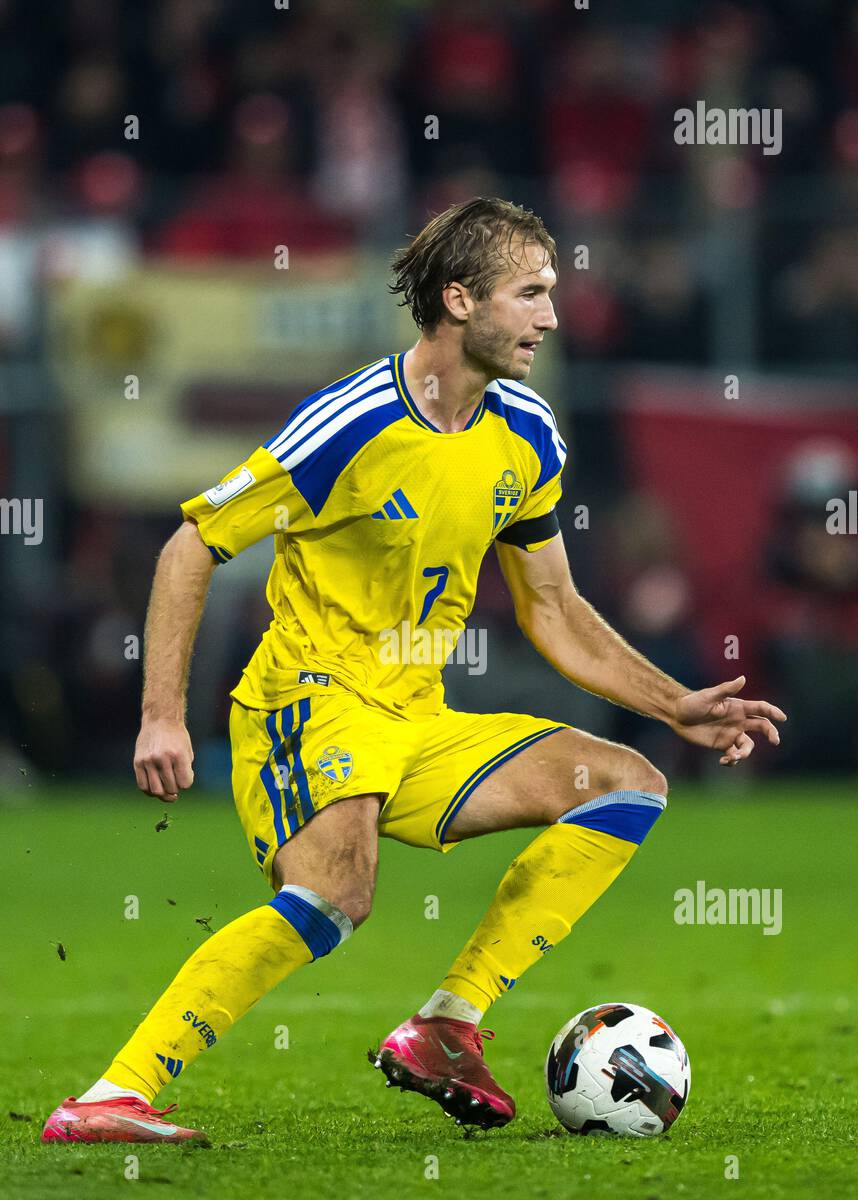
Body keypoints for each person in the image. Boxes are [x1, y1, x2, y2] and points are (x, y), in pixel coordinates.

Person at [42, 197, 785, 1145]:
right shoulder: (349, 423)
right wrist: (162, 716)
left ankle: (447, 1023)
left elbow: (550, 606)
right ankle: (112, 1096)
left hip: (414, 718)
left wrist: (673, 702)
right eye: (532, 293)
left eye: (552, 292)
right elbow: (192, 546)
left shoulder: (527, 434)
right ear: (460, 300)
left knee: (625, 786)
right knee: (334, 898)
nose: (552, 316)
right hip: (305, 702)